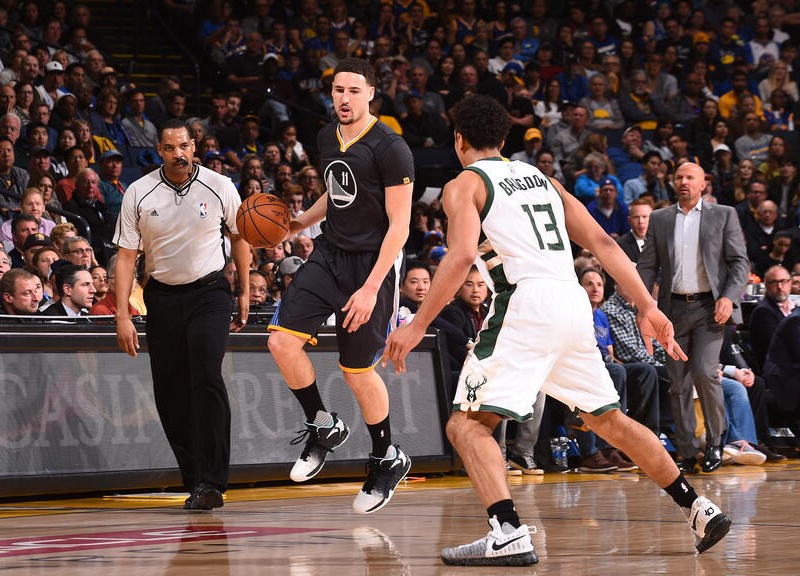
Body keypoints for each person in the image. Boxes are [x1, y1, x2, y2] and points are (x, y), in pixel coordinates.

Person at [383, 94, 731, 566]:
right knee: (609, 420)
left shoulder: (464, 183)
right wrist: (647, 303)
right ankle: (698, 507)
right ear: (505, 140)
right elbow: (604, 242)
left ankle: (507, 531)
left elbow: (462, 256)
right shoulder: (545, 180)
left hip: (525, 302)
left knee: (466, 425)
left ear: (458, 139)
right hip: (570, 301)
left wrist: (416, 324)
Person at [267, 58, 414, 515]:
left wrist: (371, 289)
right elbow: (336, 192)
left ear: (371, 94)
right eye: (337, 90)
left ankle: (386, 457)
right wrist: (297, 224)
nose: (344, 98)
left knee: (356, 372)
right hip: (329, 253)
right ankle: (322, 425)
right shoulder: (326, 136)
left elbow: (400, 226)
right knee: (280, 343)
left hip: (373, 263)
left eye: (353, 90)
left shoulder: (392, 148)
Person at [113, 119, 251, 512]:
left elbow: (239, 238)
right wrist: (123, 315)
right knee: (170, 393)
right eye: (171, 147)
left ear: (195, 146)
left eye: (185, 146)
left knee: (206, 375)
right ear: (159, 150)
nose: (179, 153)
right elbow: (126, 257)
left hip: (210, 292)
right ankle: (195, 480)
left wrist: (243, 289)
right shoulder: (138, 192)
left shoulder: (220, 185)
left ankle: (213, 480)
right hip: (161, 298)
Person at [637, 162, 750, 475]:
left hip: (709, 308)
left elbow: (740, 262)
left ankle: (715, 440)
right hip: (671, 310)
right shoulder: (659, 219)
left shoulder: (724, 214)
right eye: (679, 177)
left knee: (704, 371)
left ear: (704, 184)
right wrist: (644, 305)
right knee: (678, 384)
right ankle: (687, 450)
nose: (683, 182)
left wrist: (728, 296)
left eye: (690, 177)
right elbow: (647, 266)